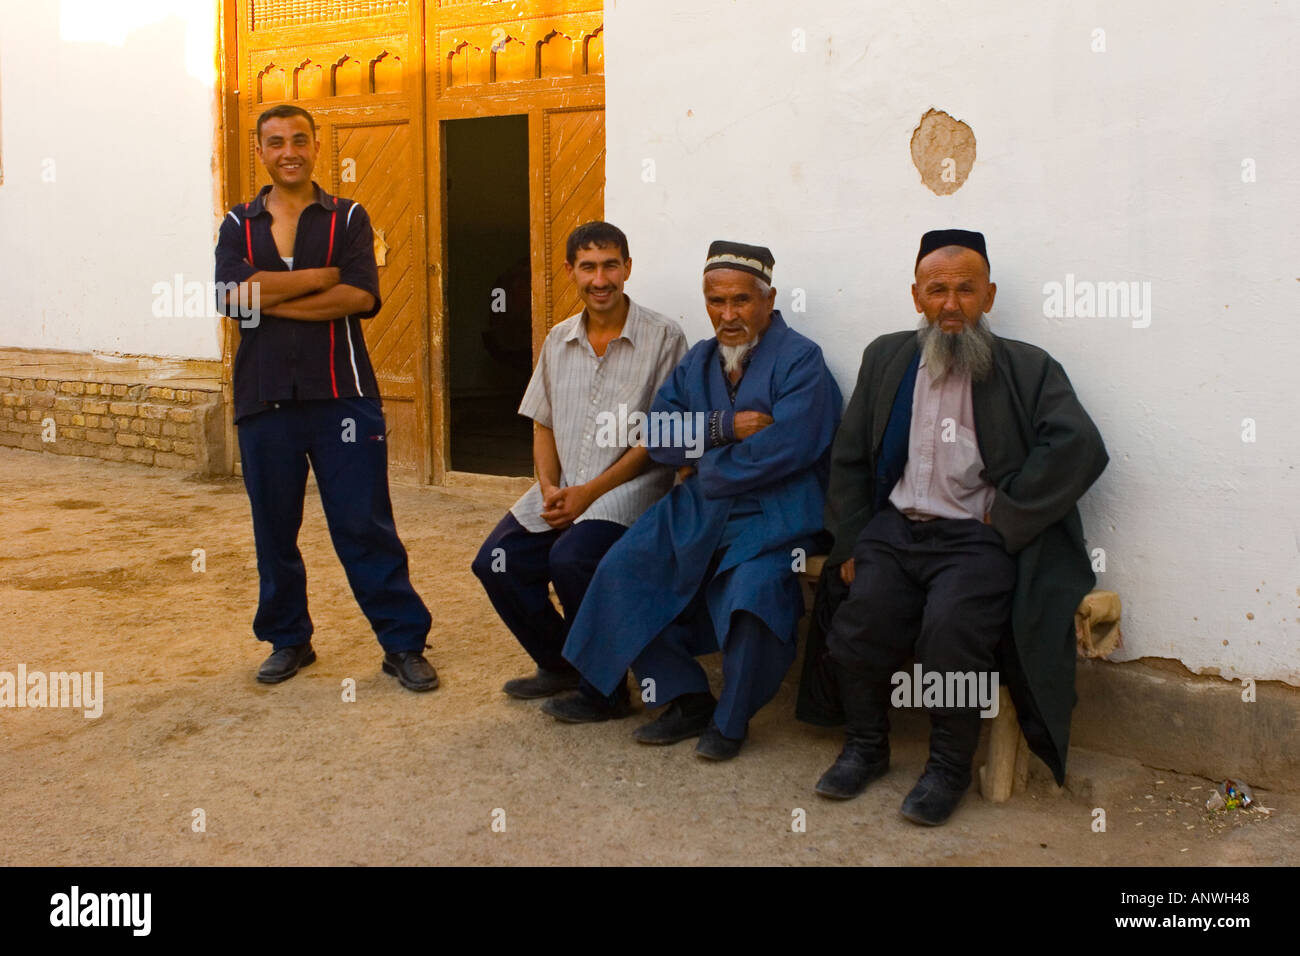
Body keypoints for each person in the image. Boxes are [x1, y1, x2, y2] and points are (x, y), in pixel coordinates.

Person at [814, 229, 1107, 824]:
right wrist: (849, 540)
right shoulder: (887, 357)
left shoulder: (1027, 367)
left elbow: (1079, 445)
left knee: (951, 636)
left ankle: (947, 769)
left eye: (966, 290)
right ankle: (867, 749)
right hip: (895, 530)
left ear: (989, 296)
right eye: (938, 289)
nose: (952, 303)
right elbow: (847, 457)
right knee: (858, 621)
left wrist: (1010, 515)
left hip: (975, 538)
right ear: (916, 296)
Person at [543, 241, 842, 761]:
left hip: (774, 515)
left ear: (768, 301)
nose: (728, 316)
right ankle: (685, 696)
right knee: (621, 570)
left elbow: (790, 448)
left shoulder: (802, 361)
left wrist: (705, 460)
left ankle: (731, 722)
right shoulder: (699, 361)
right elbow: (658, 436)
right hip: (700, 505)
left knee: (752, 592)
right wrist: (726, 426)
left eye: (741, 301)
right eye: (715, 302)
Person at [214, 104, 436, 691]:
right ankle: (289, 640)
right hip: (265, 400)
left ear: (316, 147)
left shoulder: (350, 217)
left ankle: (402, 643)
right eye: (276, 141)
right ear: (260, 152)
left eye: (299, 140)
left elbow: (360, 297)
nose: (289, 150)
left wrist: (268, 295)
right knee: (274, 528)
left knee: (364, 523)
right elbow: (230, 299)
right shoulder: (238, 225)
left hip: (343, 395)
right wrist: (317, 278)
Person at [471, 222, 687, 700]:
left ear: (628, 268)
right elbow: (542, 422)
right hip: (565, 487)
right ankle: (562, 663)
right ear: (570, 271)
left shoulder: (664, 338)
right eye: (587, 267)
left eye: (611, 265)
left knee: (571, 558)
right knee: (496, 564)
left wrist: (589, 494)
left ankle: (604, 691)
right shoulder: (558, 339)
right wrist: (548, 487)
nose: (600, 279)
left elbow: (658, 439)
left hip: (629, 492)